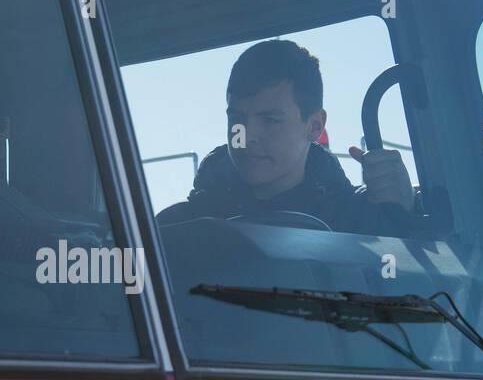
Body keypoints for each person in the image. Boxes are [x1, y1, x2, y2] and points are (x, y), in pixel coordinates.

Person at [156, 39, 414, 235]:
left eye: (270, 120)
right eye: (236, 118)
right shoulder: (174, 231)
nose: (246, 136)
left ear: (315, 126)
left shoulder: (368, 222)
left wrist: (409, 212)